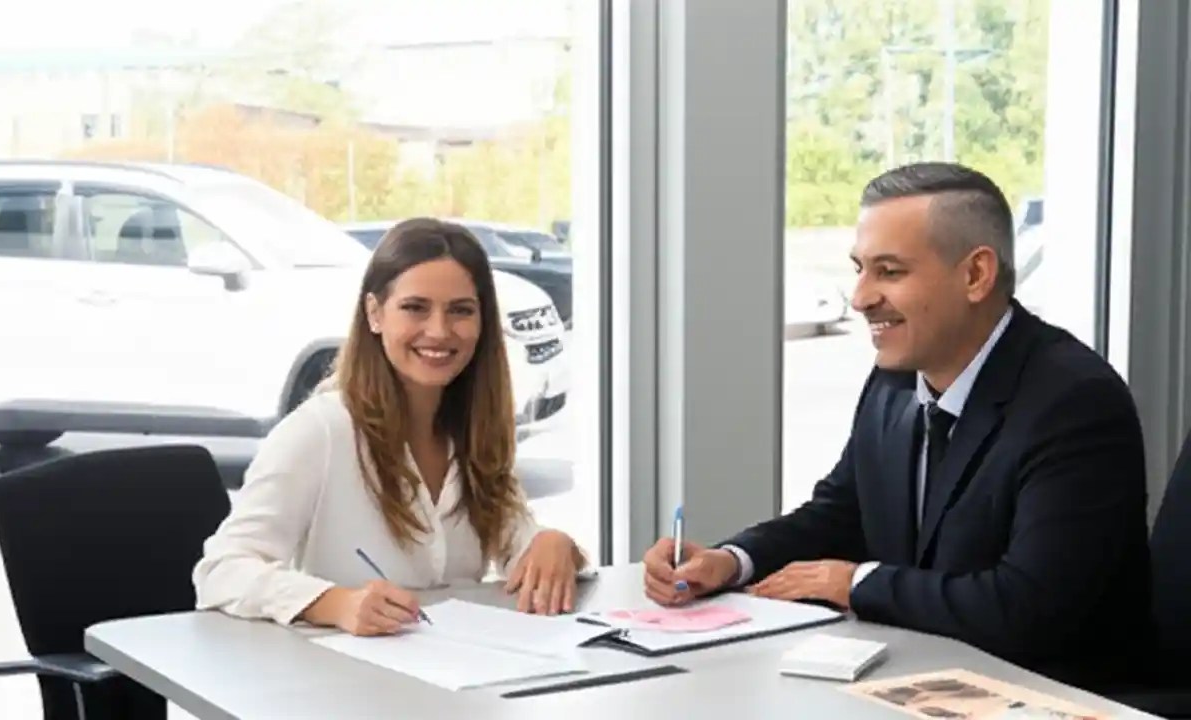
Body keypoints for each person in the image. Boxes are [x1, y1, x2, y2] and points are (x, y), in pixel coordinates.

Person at [642, 162, 1152, 690]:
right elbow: (842, 513)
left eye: (889, 272)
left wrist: (855, 583)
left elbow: (1029, 607)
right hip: (919, 678)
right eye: (859, 269)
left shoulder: (1074, 402)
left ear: (976, 275)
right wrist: (732, 561)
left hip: (1048, 697)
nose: (860, 297)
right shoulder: (896, 379)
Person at [194, 217, 585, 636]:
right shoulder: (320, 431)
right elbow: (221, 570)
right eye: (415, 308)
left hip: (454, 663)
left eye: (461, 311)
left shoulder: (471, 432)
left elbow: (519, 544)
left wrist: (553, 544)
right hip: (340, 670)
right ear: (375, 313)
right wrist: (334, 603)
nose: (439, 330)